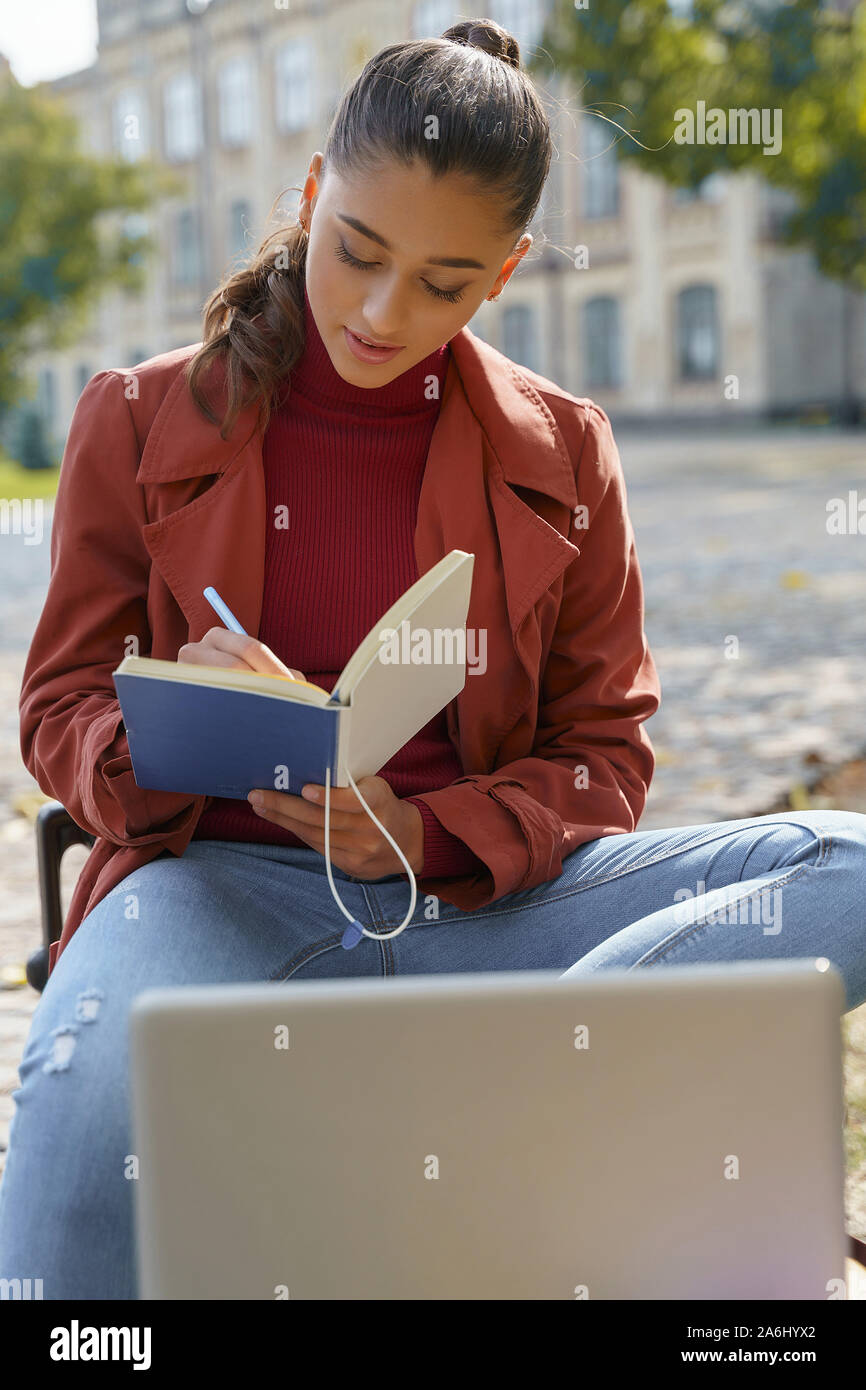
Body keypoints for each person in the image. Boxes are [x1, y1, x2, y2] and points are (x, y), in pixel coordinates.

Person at [1, 18, 864, 1301]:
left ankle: (489, 1079)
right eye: (355, 252)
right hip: (209, 894)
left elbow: (604, 752)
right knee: (73, 1128)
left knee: (841, 863)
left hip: (480, 908)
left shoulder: (561, 452)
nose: (380, 310)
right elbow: (60, 703)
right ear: (310, 199)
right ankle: (500, 1093)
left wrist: (419, 827)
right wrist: (171, 733)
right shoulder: (136, 415)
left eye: (443, 282)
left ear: (505, 274)